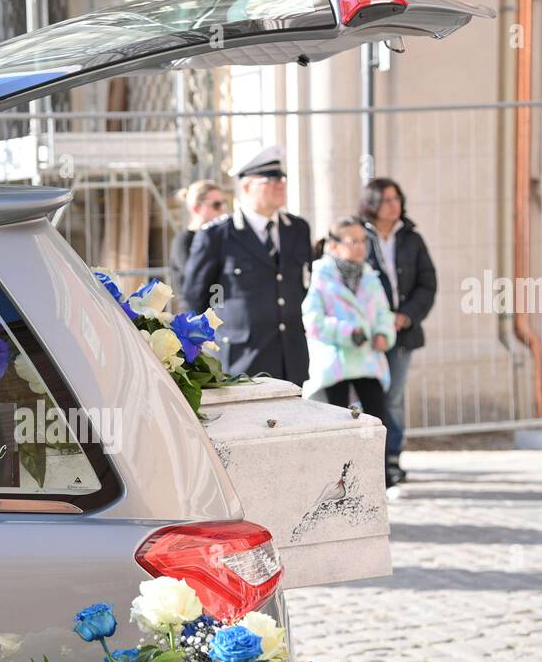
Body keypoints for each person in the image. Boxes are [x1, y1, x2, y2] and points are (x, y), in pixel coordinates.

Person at [184, 144, 313, 384]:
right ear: (245, 186)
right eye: (269, 178)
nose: (279, 184)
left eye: (281, 177)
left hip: (291, 357)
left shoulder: (297, 229)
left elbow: (301, 284)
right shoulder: (217, 235)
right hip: (242, 358)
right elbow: (196, 297)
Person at [303, 216, 398, 486]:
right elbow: (312, 320)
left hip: (367, 357)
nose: (359, 247)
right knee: (338, 421)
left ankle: (380, 476)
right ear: (333, 246)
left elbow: (383, 312)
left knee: (377, 419)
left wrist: (383, 333)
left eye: (363, 241)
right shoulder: (320, 276)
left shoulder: (369, 276)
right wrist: (347, 332)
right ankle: (338, 478)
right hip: (336, 361)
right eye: (352, 241)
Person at [359, 178, 437, 485]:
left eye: (397, 199)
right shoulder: (358, 236)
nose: (394, 205)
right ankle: (367, 457)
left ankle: (392, 456)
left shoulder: (411, 239)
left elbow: (428, 283)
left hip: (401, 333)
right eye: (387, 199)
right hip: (366, 336)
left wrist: (406, 317)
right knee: (365, 397)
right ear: (373, 204)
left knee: (393, 396)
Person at [170, 179, 227, 307]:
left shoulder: (223, 238)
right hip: (197, 318)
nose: (223, 210)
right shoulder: (183, 241)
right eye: (216, 205)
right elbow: (196, 279)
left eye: (224, 203)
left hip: (221, 314)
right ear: (196, 208)